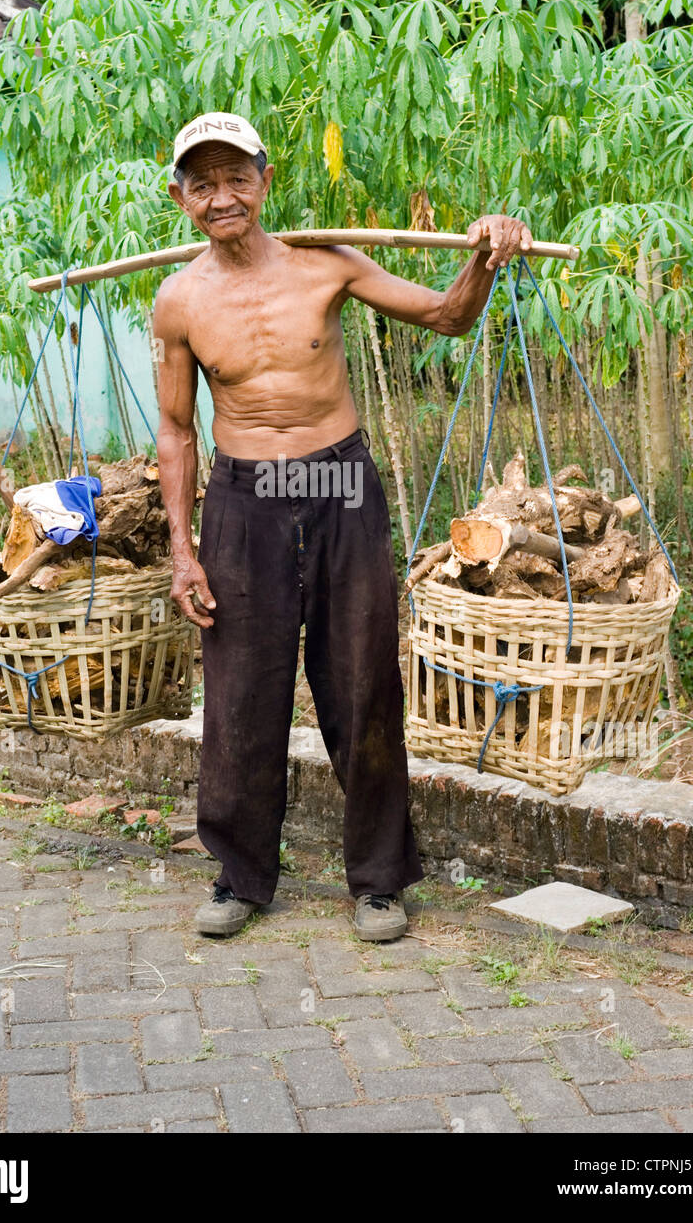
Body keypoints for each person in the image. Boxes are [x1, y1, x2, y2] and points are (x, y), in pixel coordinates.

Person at [153, 111, 532, 941]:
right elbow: (176, 431)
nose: (223, 197)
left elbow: (445, 317)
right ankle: (240, 877)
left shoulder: (328, 266)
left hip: (338, 485)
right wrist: (183, 550)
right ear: (179, 196)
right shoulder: (178, 300)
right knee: (241, 691)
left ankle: (379, 880)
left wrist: (483, 255)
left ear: (265, 181)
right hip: (243, 497)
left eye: (237, 179)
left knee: (361, 681)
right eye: (203, 184)